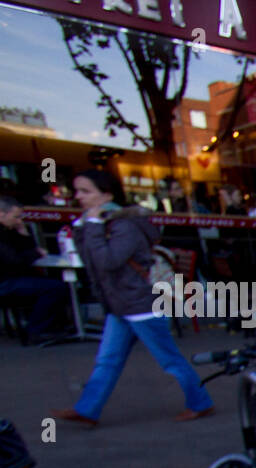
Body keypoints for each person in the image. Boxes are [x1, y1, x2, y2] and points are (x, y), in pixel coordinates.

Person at [51, 169, 214, 426]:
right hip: (123, 304)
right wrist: (84, 228)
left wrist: (90, 227)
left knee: (168, 360)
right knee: (108, 360)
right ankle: (87, 409)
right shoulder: (104, 223)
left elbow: (106, 262)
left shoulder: (124, 225)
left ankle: (200, 402)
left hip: (139, 304)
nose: (79, 197)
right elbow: (90, 260)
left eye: (86, 191)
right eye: (77, 191)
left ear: (106, 195)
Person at [0, 195, 70, 344]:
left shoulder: (7, 230)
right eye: (16, 217)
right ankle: (36, 330)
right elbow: (15, 261)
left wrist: (23, 232)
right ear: (1, 214)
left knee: (49, 284)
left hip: (10, 278)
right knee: (54, 288)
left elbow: (23, 250)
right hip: (5, 282)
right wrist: (35, 253)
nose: (19, 221)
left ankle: (49, 326)